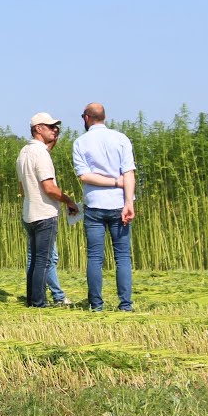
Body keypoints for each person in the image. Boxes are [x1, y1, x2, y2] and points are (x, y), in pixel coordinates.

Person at [72, 102, 137, 312]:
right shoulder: (121, 139)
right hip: (119, 204)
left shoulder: (80, 142)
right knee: (122, 257)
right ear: (104, 117)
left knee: (94, 257)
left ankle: (96, 305)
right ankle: (125, 305)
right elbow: (129, 174)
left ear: (86, 118)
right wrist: (128, 201)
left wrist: (110, 182)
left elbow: (84, 176)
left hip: (94, 205)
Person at [17, 111, 80, 307]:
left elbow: (22, 187)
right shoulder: (41, 154)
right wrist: (70, 202)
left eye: (56, 127)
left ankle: (32, 300)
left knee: (35, 260)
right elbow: (49, 188)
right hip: (45, 214)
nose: (55, 130)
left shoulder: (23, 153)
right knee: (44, 261)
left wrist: (53, 141)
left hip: (29, 213)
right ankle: (38, 303)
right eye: (50, 127)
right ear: (38, 129)